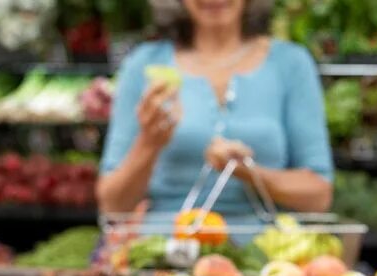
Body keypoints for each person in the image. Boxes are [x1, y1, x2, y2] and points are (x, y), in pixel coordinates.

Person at [97, 0, 334, 232]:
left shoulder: (290, 63)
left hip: (265, 254)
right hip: (167, 250)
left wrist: (250, 173)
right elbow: (113, 205)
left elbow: (318, 195)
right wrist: (149, 142)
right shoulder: (144, 64)